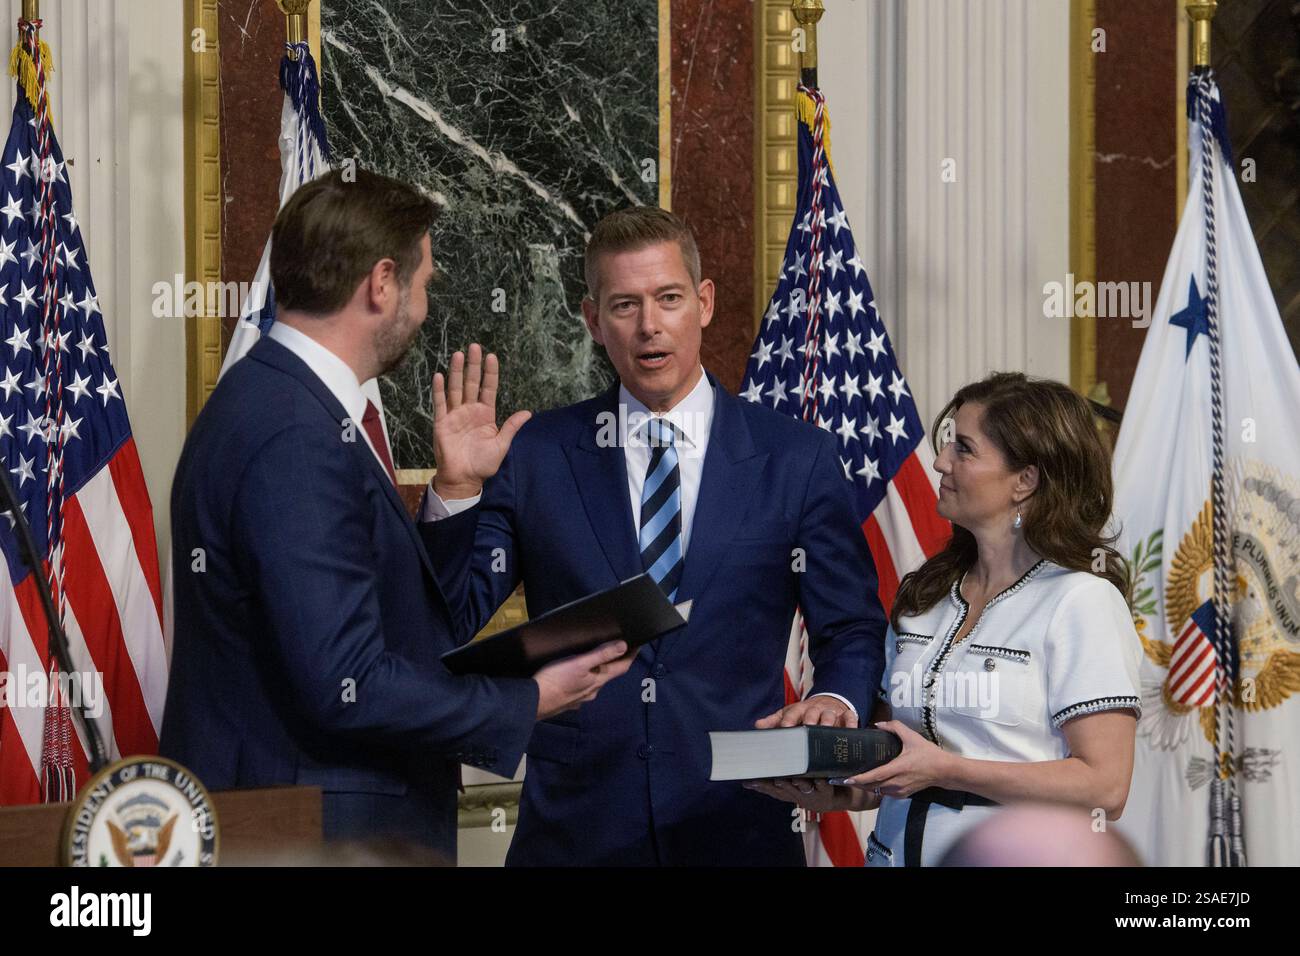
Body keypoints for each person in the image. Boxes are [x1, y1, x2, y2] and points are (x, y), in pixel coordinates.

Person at [160, 168, 632, 857]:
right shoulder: (296, 434)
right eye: (425, 284)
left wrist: (456, 489)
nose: (424, 307)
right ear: (382, 283)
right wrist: (528, 701)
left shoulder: (274, 400)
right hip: (313, 836)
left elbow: (382, 626)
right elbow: (344, 682)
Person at [421, 206, 888, 866]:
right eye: (624, 305)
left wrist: (834, 701)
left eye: (668, 299)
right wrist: (458, 489)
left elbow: (851, 628)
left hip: (739, 825)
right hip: (575, 835)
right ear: (592, 321)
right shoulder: (538, 454)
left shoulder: (796, 459)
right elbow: (447, 619)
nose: (649, 325)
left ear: (703, 302)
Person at [749, 371, 1142, 866]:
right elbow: (893, 772)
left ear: (1025, 480)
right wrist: (821, 789)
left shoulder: (1081, 601)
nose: (939, 461)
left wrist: (945, 770)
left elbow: (1105, 787)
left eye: (964, 449)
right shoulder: (925, 599)